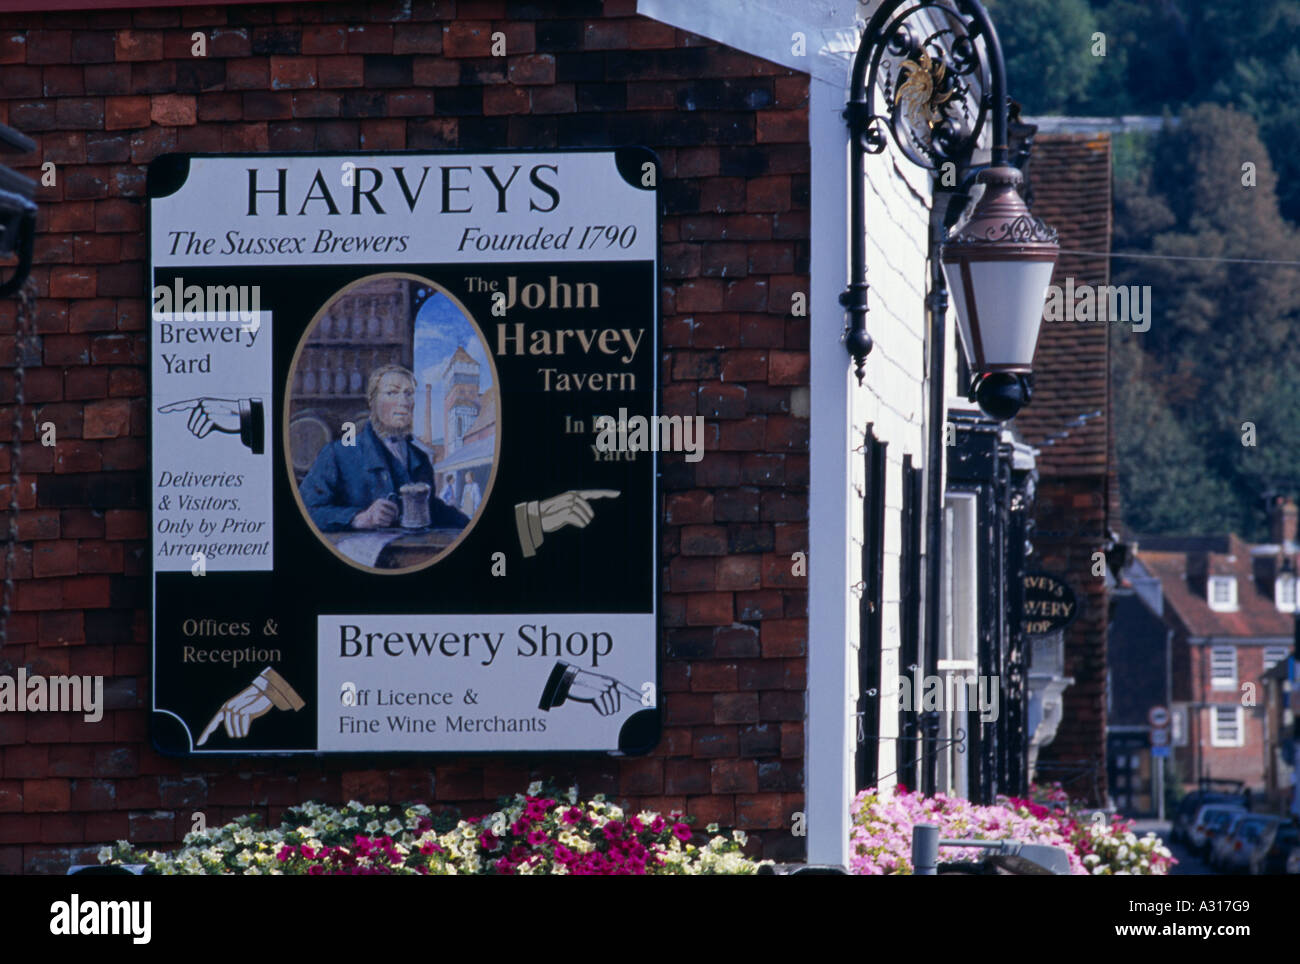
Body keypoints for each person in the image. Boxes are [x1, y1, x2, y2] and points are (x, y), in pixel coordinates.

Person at [300, 365, 471, 532]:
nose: (403, 402)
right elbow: (306, 509)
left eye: (409, 394)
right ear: (372, 402)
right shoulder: (339, 454)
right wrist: (359, 518)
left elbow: (432, 508)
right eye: (392, 393)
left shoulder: (420, 458)